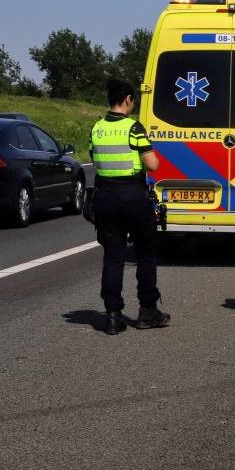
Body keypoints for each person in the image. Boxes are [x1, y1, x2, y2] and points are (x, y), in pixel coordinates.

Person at [89, 80, 170, 335]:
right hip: (132, 198)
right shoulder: (133, 128)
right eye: (132, 100)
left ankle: (113, 315)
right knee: (145, 254)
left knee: (113, 258)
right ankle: (147, 311)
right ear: (127, 99)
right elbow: (153, 164)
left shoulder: (97, 129)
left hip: (105, 198)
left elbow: (95, 159)